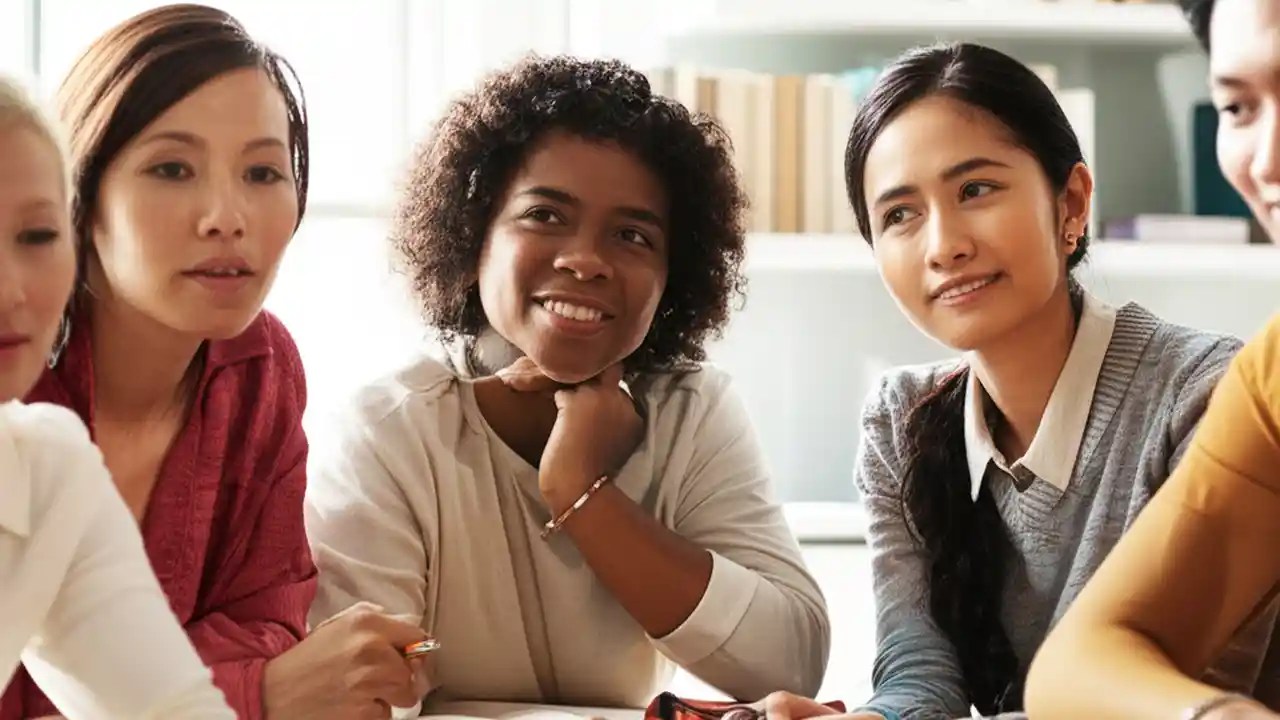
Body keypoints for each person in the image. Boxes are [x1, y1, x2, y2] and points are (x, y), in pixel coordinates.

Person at [761, 41, 1275, 720]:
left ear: (1072, 204)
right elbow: (921, 678)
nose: (944, 245)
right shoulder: (900, 421)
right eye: (899, 215)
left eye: (975, 190)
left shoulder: (1208, 397)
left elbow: (1180, 696)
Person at [305, 55, 831, 714]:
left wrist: (582, 492)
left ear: (673, 278)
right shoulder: (387, 430)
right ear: (474, 238)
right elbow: (365, 690)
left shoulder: (693, 413)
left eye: (632, 235)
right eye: (545, 216)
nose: (585, 259)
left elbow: (791, 663)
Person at [0, 5, 427, 720]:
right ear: (81, 194)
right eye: (172, 168)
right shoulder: (22, 376)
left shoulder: (256, 371)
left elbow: (261, 618)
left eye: (263, 172)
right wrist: (262, 689)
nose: (226, 216)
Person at [1025, 1, 1280, 717]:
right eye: (1237, 107)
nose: (1268, 161)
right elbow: (1077, 665)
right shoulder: (1271, 377)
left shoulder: (1192, 377)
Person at [0, 74, 234, 719]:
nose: (10, 291)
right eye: (172, 168)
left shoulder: (46, 469)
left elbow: (171, 711)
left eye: (38, 237)